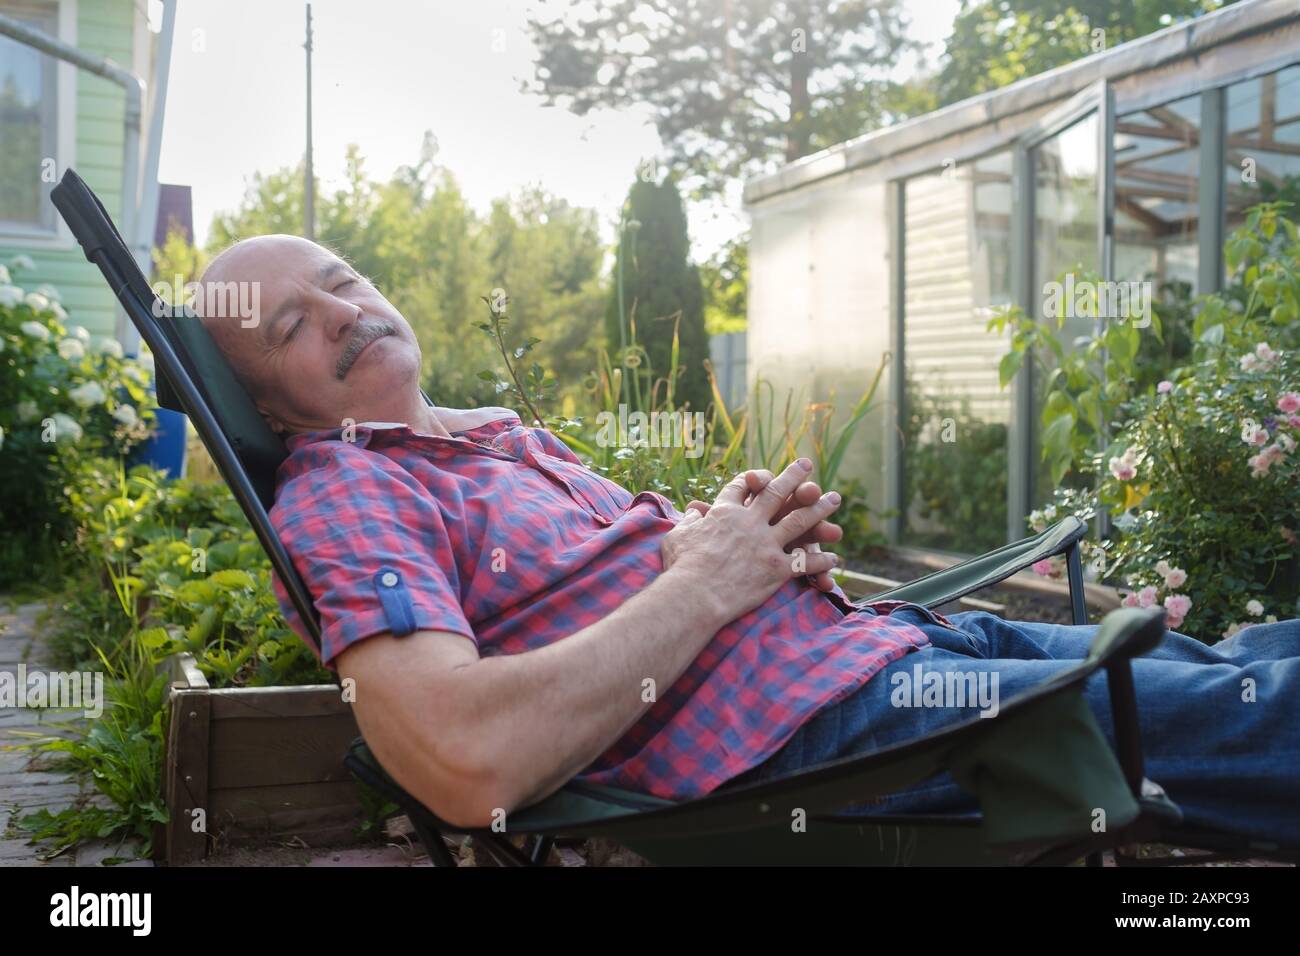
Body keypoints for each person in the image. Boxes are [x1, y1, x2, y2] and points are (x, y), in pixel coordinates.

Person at [196, 234, 1300, 843]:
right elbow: (460, 760)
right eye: (293, 325)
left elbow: (651, 580)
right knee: (1255, 716)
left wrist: (745, 539)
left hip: (889, 660)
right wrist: (711, 583)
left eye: (342, 283)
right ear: (273, 410)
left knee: (1246, 669)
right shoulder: (346, 488)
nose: (342, 313)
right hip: (832, 738)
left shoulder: (492, 434)